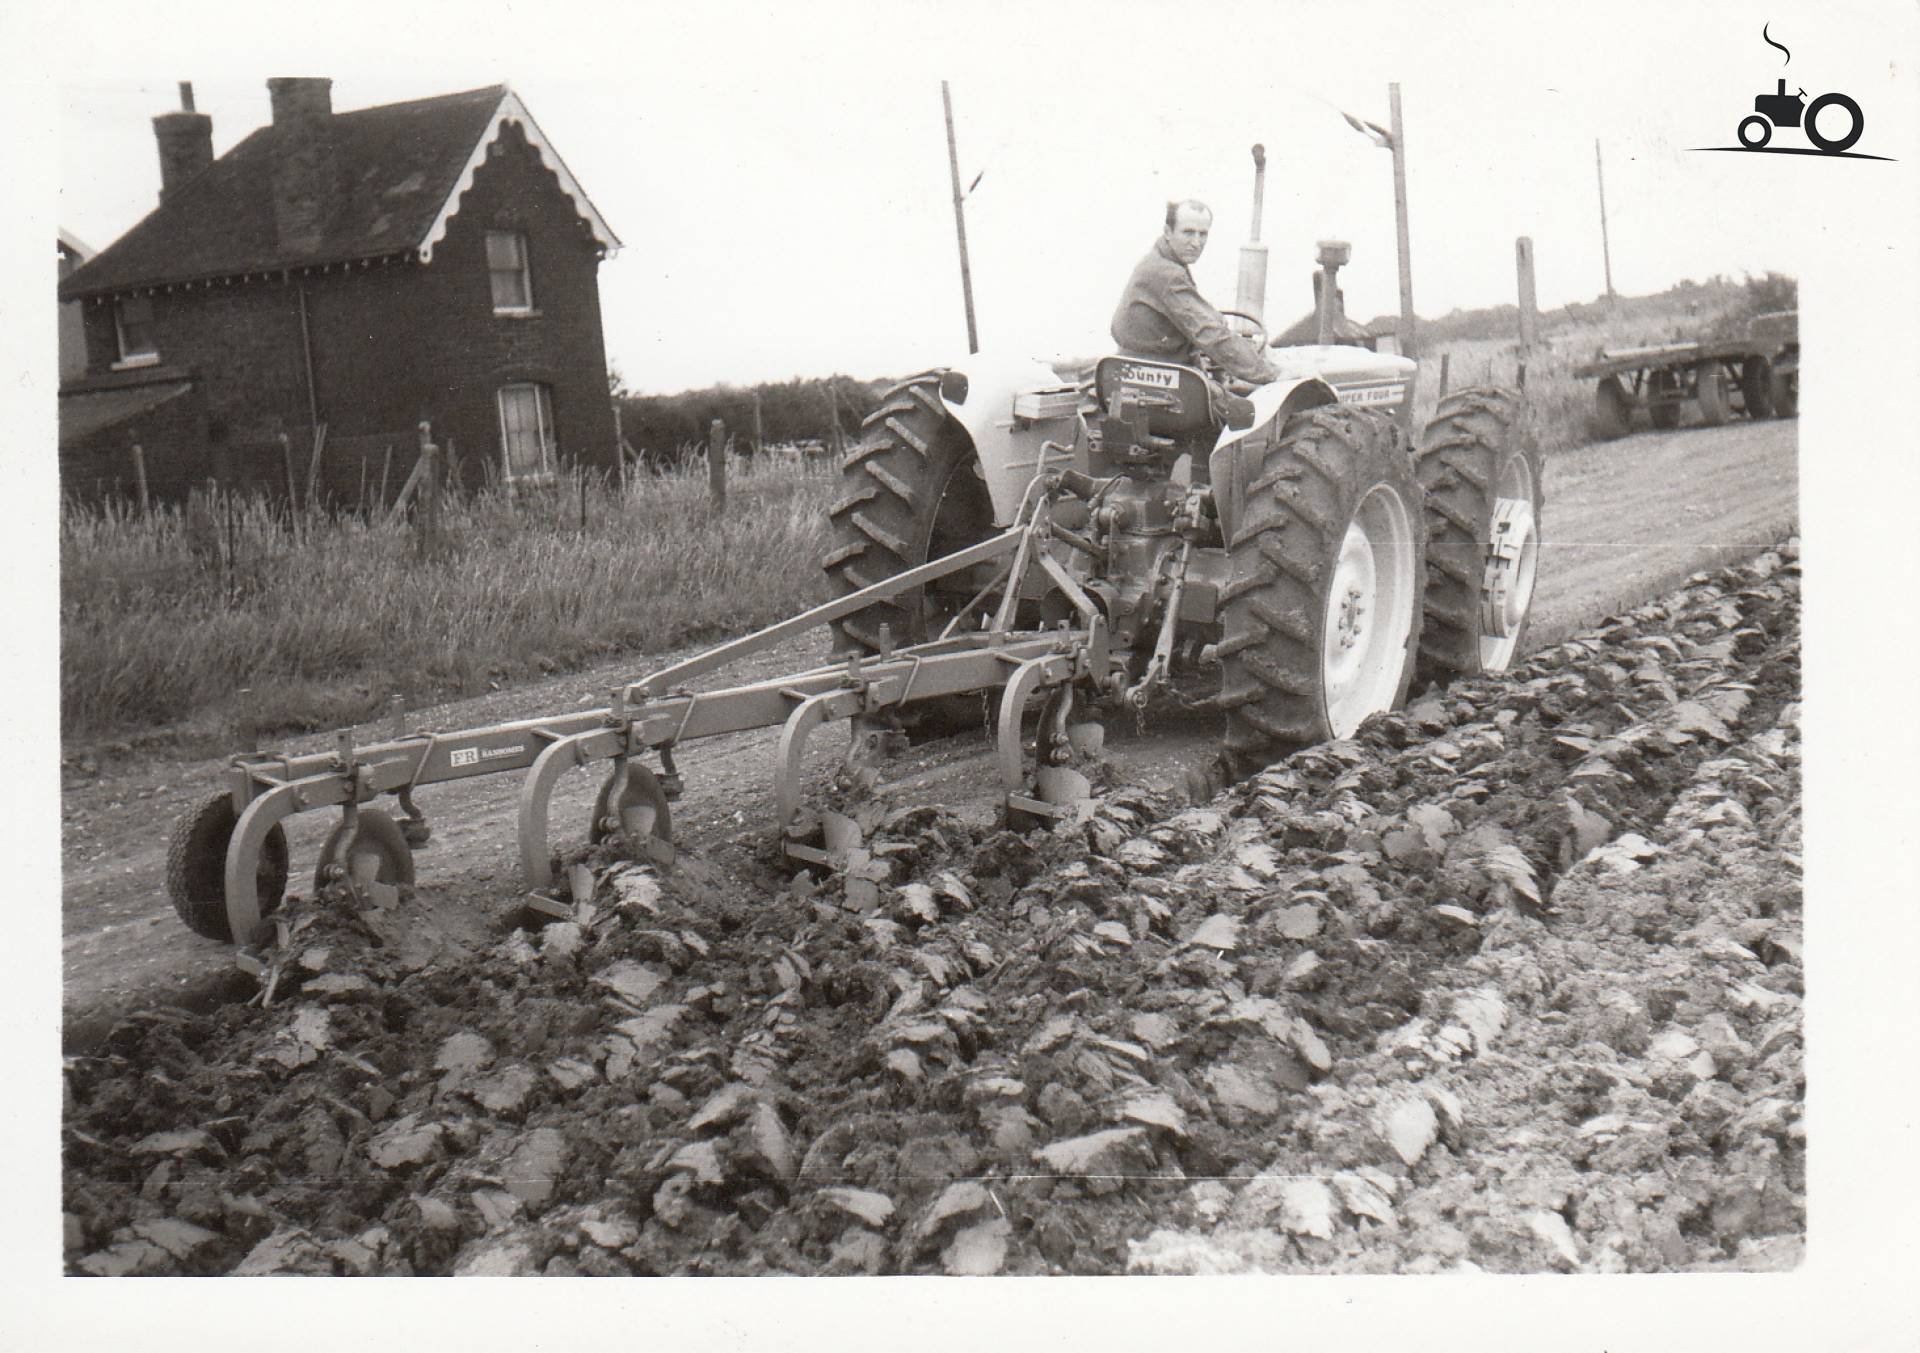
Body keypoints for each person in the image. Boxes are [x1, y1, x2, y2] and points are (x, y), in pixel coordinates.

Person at [1110, 200, 1279, 385]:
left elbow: (1202, 318)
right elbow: (1209, 333)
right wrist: (1271, 373)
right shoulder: (1166, 274)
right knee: (1248, 410)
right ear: (1168, 232)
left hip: (1141, 371)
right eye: (1188, 233)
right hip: (1156, 378)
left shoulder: (1162, 262)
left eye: (1203, 234)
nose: (1196, 243)